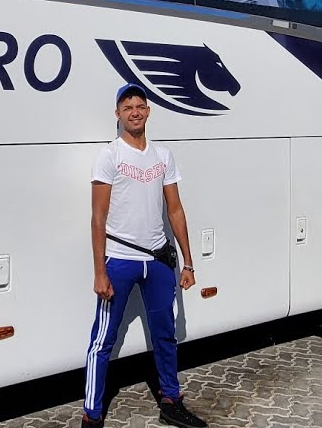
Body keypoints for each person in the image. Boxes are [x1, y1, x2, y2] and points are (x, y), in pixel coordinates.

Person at [82, 83, 208, 428]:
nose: (134, 112)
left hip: (158, 262)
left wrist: (188, 261)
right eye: (128, 107)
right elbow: (98, 218)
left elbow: (176, 210)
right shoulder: (109, 156)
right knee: (103, 341)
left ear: (148, 110)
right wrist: (99, 272)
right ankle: (92, 415)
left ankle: (171, 400)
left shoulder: (163, 155)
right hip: (119, 260)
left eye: (140, 106)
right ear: (118, 114)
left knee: (165, 335)